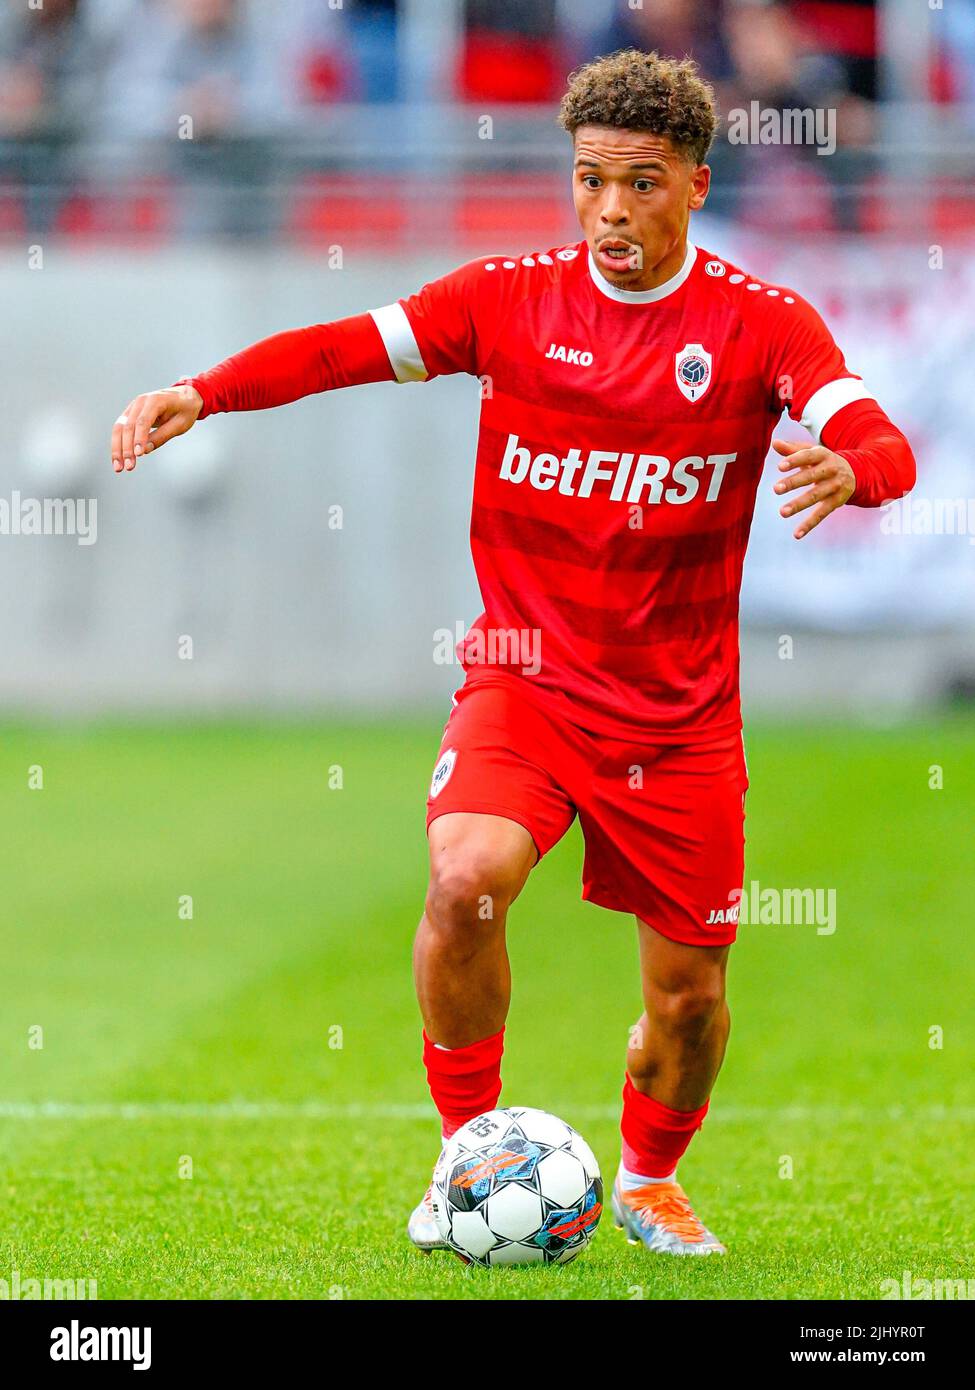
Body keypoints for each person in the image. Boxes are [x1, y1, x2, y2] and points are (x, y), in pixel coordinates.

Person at [109, 50, 915, 1257]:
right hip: (524, 678)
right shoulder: (510, 296)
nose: (609, 212)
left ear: (696, 183)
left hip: (679, 717)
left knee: (690, 1003)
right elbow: (341, 348)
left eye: (641, 184)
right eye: (589, 179)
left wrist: (856, 470)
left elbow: (878, 437)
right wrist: (203, 389)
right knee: (466, 875)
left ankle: (647, 1176)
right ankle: (467, 1152)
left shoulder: (760, 324)